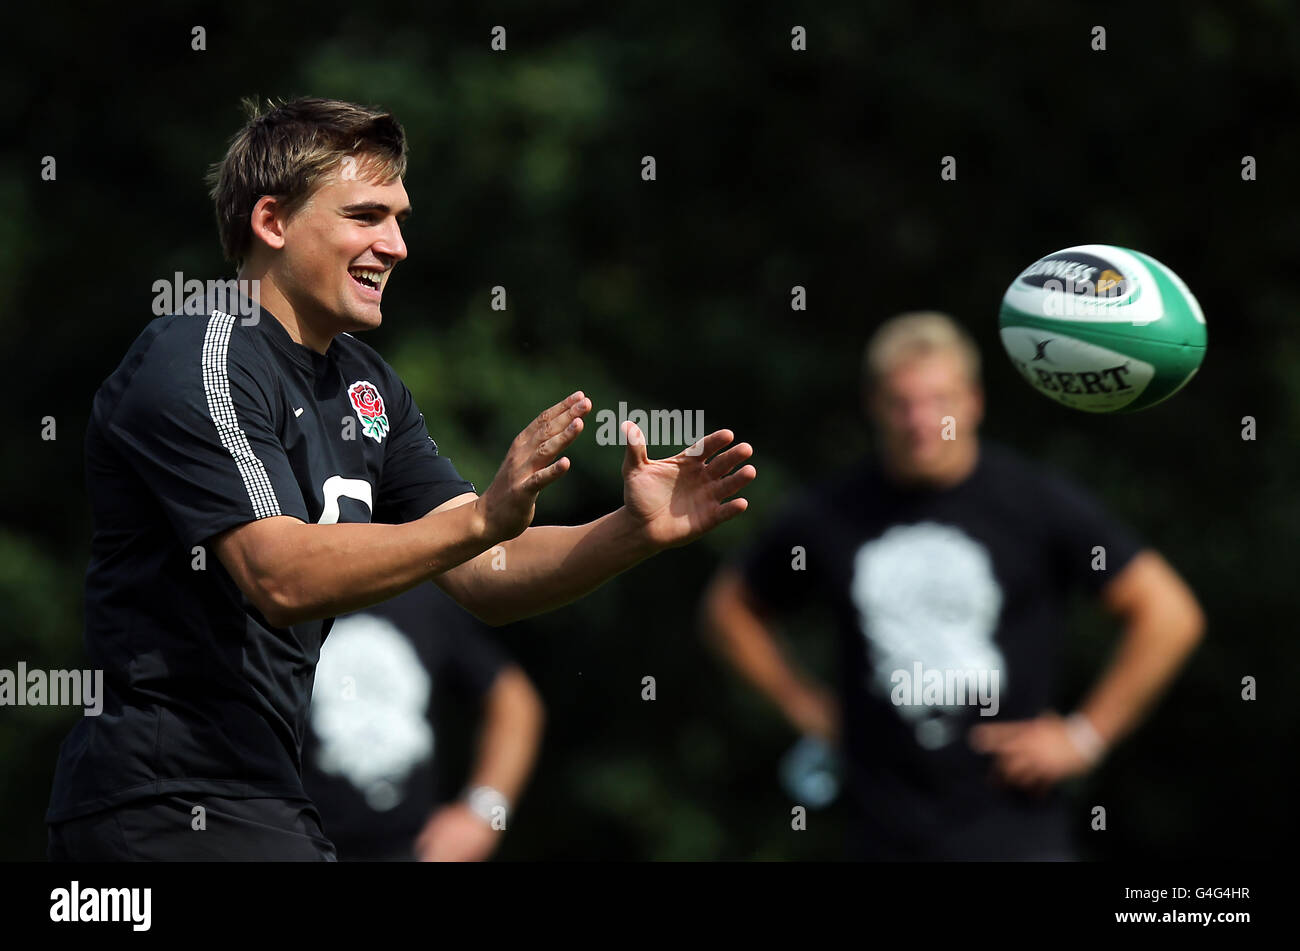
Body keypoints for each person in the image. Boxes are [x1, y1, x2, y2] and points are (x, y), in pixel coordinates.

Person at [46, 97, 755, 861]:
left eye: (399, 218)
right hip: (160, 805)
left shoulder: (368, 384)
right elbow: (278, 575)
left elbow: (487, 574)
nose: (395, 245)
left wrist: (629, 532)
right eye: (365, 215)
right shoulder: (202, 355)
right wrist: (481, 517)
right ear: (272, 222)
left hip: (267, 800)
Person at [703, 311, 1204, 861]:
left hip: (1015, 835)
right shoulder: (833, 514)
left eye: (938, 399)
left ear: (973, 402)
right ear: (874, 406)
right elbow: (731, 608)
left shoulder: (1032, 503)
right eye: (902, 402)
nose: (920, 420)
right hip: (881, 835)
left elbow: (1168, 612)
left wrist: (1084, 736)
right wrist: (805, 707)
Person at [302, 583, 543, 862]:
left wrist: (482, 813)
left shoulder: (422, 596)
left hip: (412, 849)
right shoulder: (280, 594)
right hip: (288, 842)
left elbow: (513, 702)